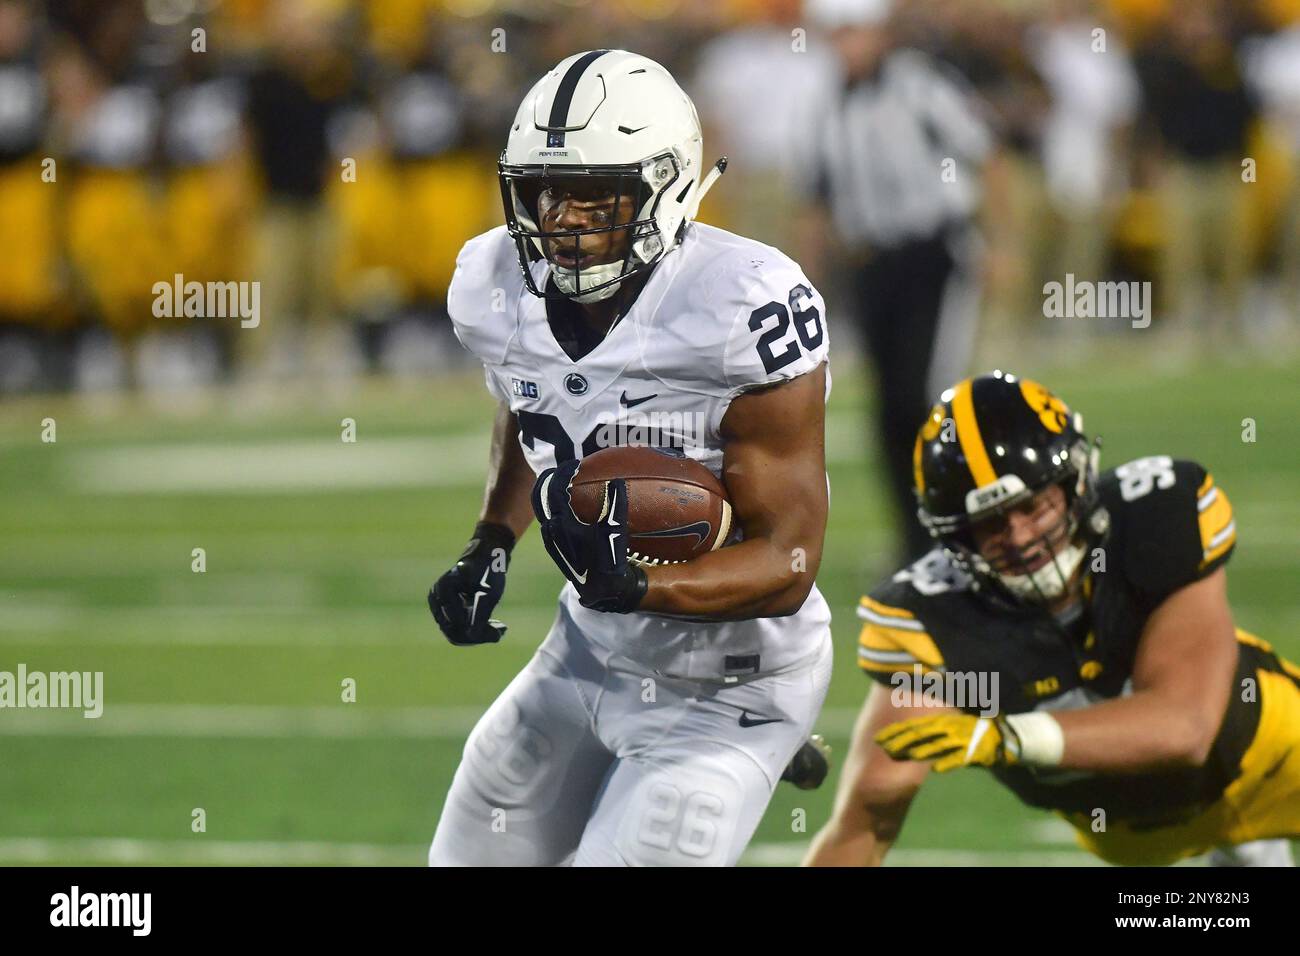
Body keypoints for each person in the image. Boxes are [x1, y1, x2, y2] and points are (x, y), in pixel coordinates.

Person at [427, 50, 834, 866]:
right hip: (588, 652)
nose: (564, 220)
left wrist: (638, 583)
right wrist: (492, 540)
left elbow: (790, 560)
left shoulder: (742, 304)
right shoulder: (491, 282)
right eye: (547, 192)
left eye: (593, 193)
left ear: (667, 184)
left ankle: (763, 745)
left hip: (735, 679)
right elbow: (528, 401)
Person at [806, 370, 1299, 867]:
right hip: (1132, 836)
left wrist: (1010, 738)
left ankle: (1253, 850)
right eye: (991, 524)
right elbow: (864, 825)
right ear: (956, 539)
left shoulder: (1156, 520)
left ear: (1075, 482)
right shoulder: (929, 622)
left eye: (1033, 507)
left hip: (1273, 759)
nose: (1019, 537)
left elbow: (1186, 727)